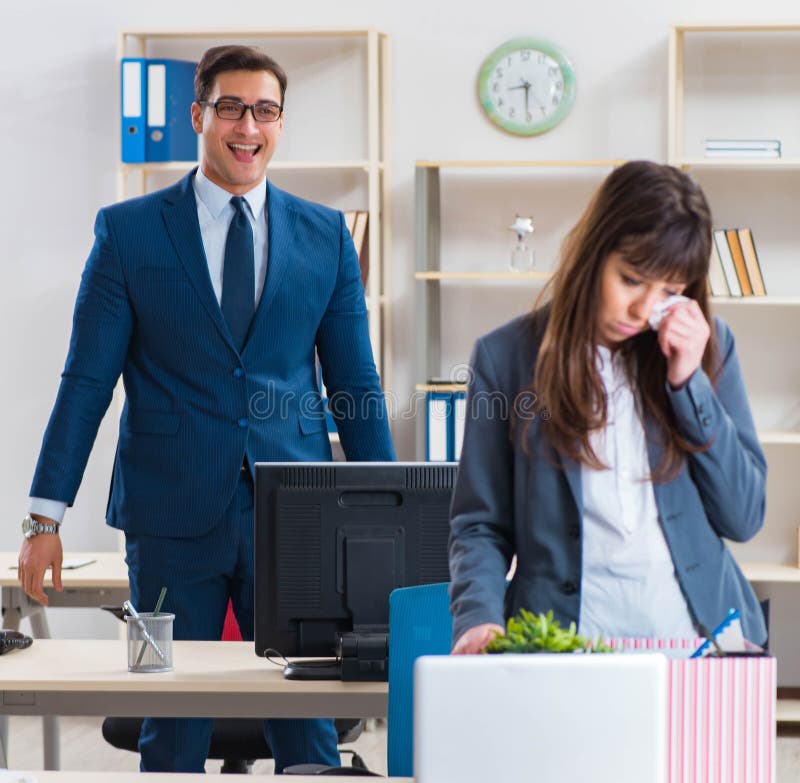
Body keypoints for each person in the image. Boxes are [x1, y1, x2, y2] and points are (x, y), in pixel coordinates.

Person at [18, 45, 395, 772]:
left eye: (265, 110)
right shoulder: (128, 232)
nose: (247, 126)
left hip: (294, 514)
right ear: (198, 116)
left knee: (307, 726)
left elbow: (356, 383)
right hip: (169, 515)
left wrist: (386, 517)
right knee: (171, 721)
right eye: (230, 108)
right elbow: (86, 382)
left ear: (280, 122)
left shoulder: (326, 236)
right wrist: (44, 520)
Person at [448, 160, 767, 654]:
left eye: (670, 292)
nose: (644, 310)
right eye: (631, 280)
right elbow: (480, 525)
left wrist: (690, 384)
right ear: (594, 254)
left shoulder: (707, 345)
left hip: (695, 643)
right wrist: (479, 617)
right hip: (563, 646)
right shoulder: (505, 357)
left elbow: (743, 517)